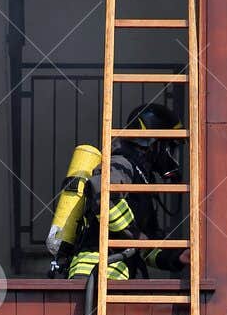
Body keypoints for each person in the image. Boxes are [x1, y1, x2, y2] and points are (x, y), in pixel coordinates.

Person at [46, 102, 186, 281]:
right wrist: (135, 235)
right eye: (170, 147)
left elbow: (146, 245)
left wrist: (177, 257)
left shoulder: (143, 182)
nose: (172, 156)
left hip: (116, 273)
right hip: (93, 270)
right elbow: (102, 193)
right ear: (154, 143)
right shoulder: (123, 163)